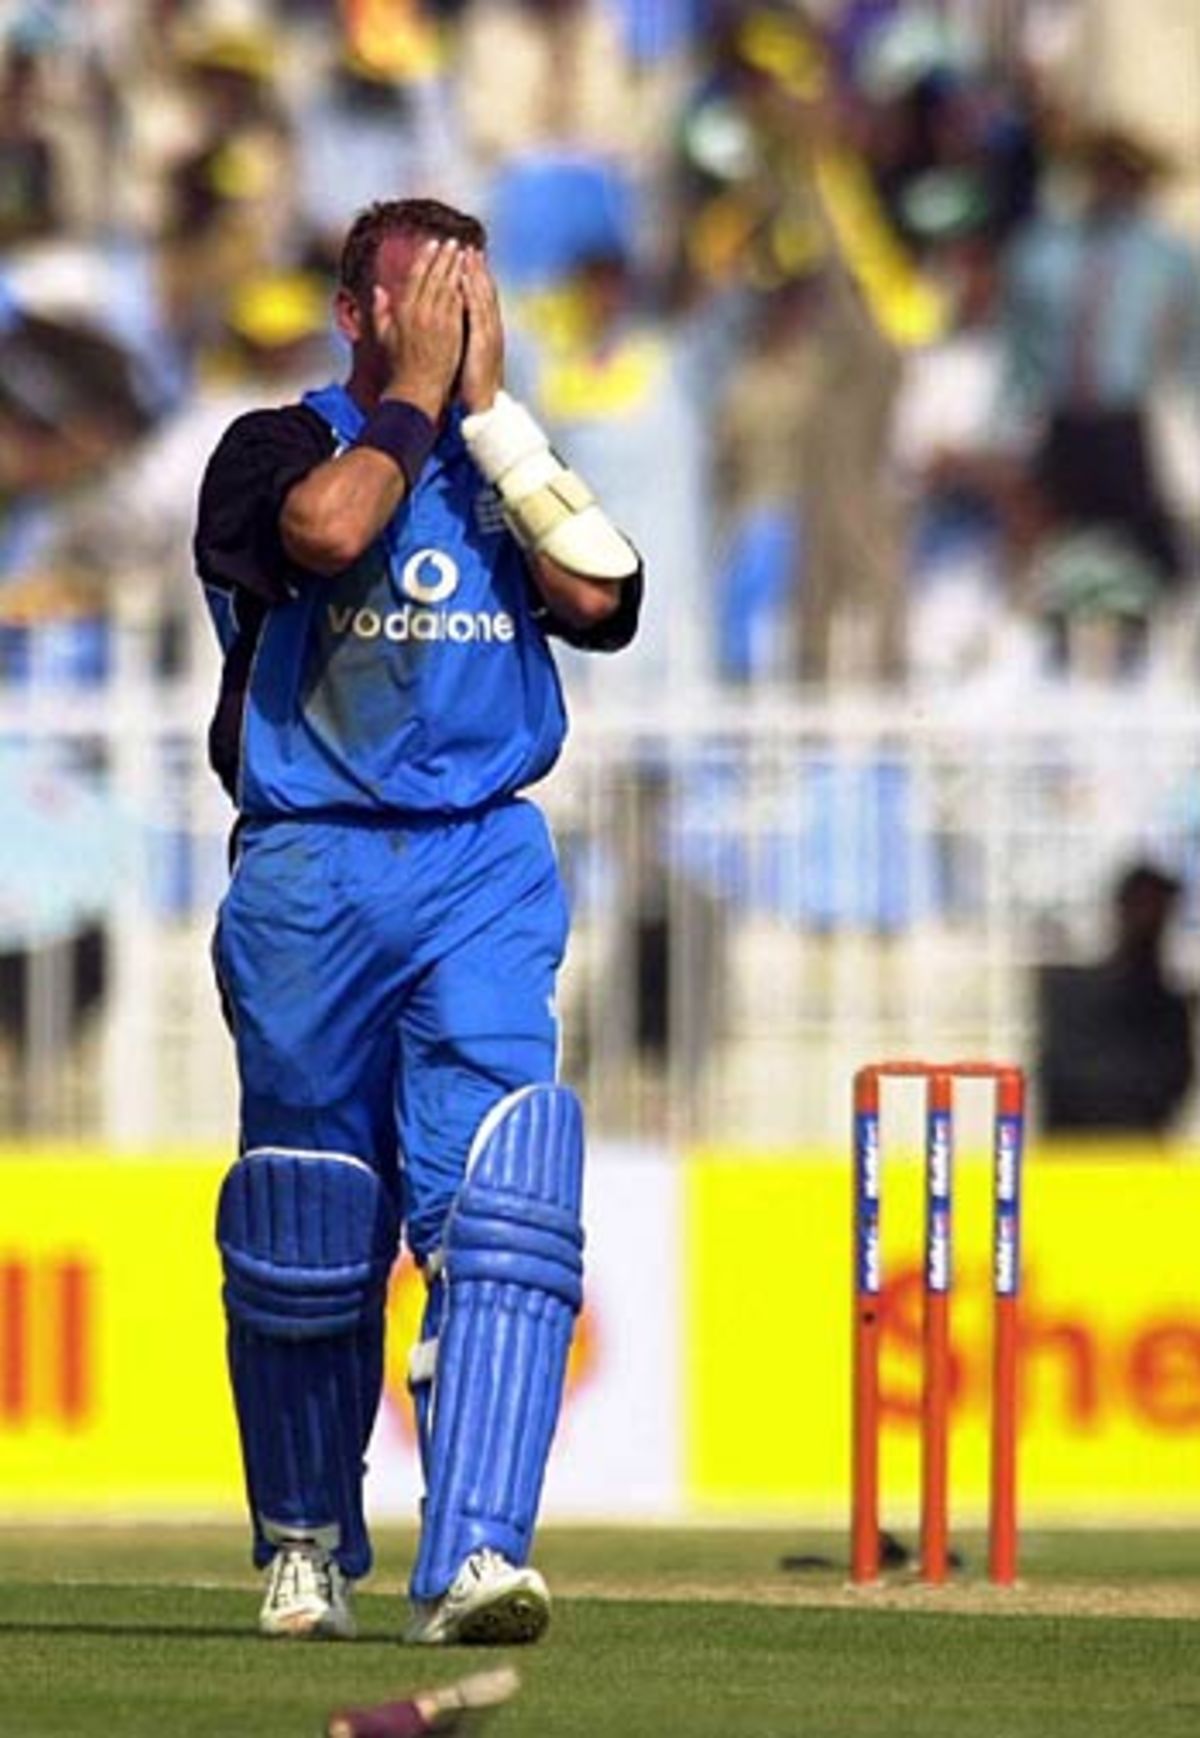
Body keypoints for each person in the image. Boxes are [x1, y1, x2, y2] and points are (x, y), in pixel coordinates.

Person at [192, 196, 642, 1647]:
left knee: (505, 1200)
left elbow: (602, 594)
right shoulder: (272, 447)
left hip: (480, 860)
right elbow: (328, 534)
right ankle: (307, 1542)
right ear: (354, 313)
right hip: (312, 864)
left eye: (471, 296)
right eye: (421, 297)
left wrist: (491, 417)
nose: (450, 322)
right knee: (309, 1216)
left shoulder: (504, 463)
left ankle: (479, 1557)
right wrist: (413, 403)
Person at [1036, 860, 1195, 1136]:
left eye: (1160, 911)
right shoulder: (1069, 992)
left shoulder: (1170, 1007)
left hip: (1135, 1154)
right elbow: (1069, 1085)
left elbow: (1172, 1089)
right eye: (1143, 907)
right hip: (1078, 1152)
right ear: (1121, 908)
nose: (1151, 921)